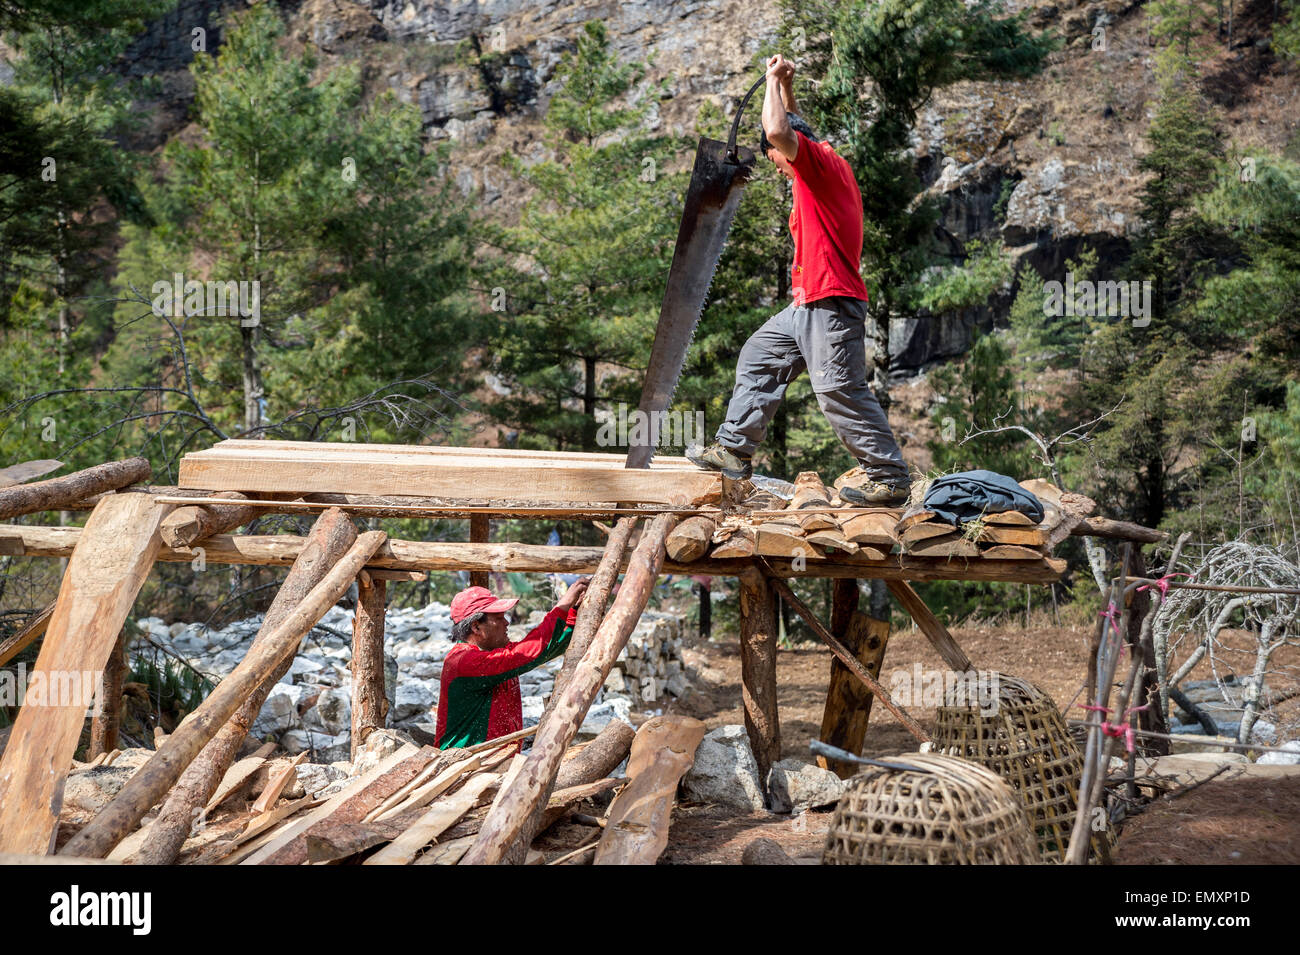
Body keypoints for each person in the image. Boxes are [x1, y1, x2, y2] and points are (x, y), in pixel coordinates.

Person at [687, 53, 911, 506]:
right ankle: (734, 449)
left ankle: (888, 476)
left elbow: (777, 131)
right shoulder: (823, 167)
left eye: (776, 160)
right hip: (805, 305)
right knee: (759, 355)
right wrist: (786, 84)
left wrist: (771, 81)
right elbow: (792, 126)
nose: (775, 166)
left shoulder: (819, 168)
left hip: (831, 303)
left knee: (837, 390)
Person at [434, 577, 589, 749]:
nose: (507, 622)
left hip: (494, 761)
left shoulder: (492, 654)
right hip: (466, 764)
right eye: (499, 618)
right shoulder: (464, 661)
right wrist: (562, 606)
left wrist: (573, 611)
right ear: (476, 627)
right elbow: (529, 652)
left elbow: (545, 649)